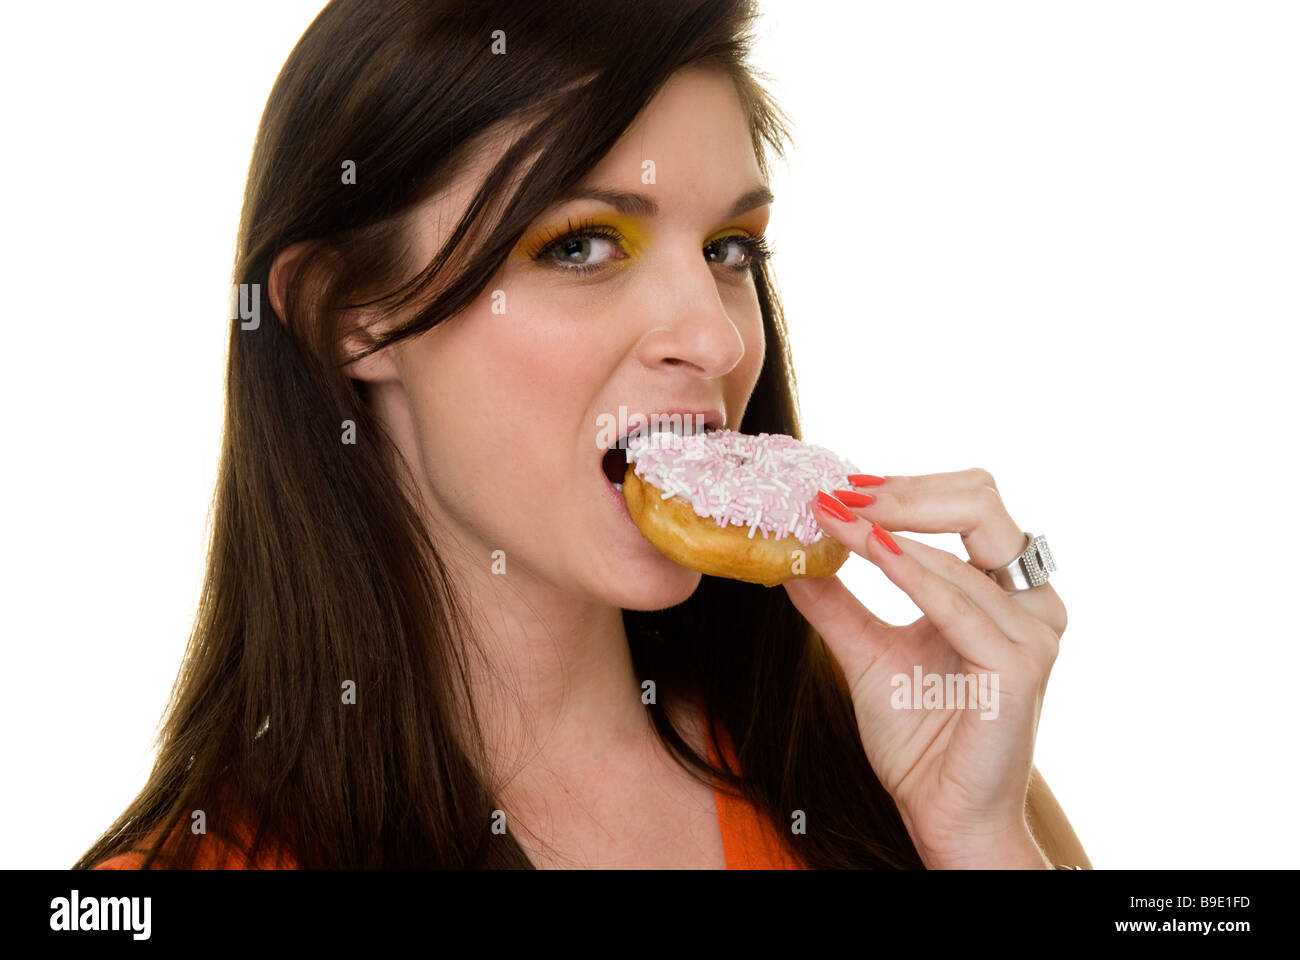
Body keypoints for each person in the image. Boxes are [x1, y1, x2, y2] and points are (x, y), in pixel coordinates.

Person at [79, 0, 1089, 870]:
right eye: (581, 244)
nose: (714, 335)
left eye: (730, 248)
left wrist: (975, 839)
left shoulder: (911, 765)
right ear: (350, 314)